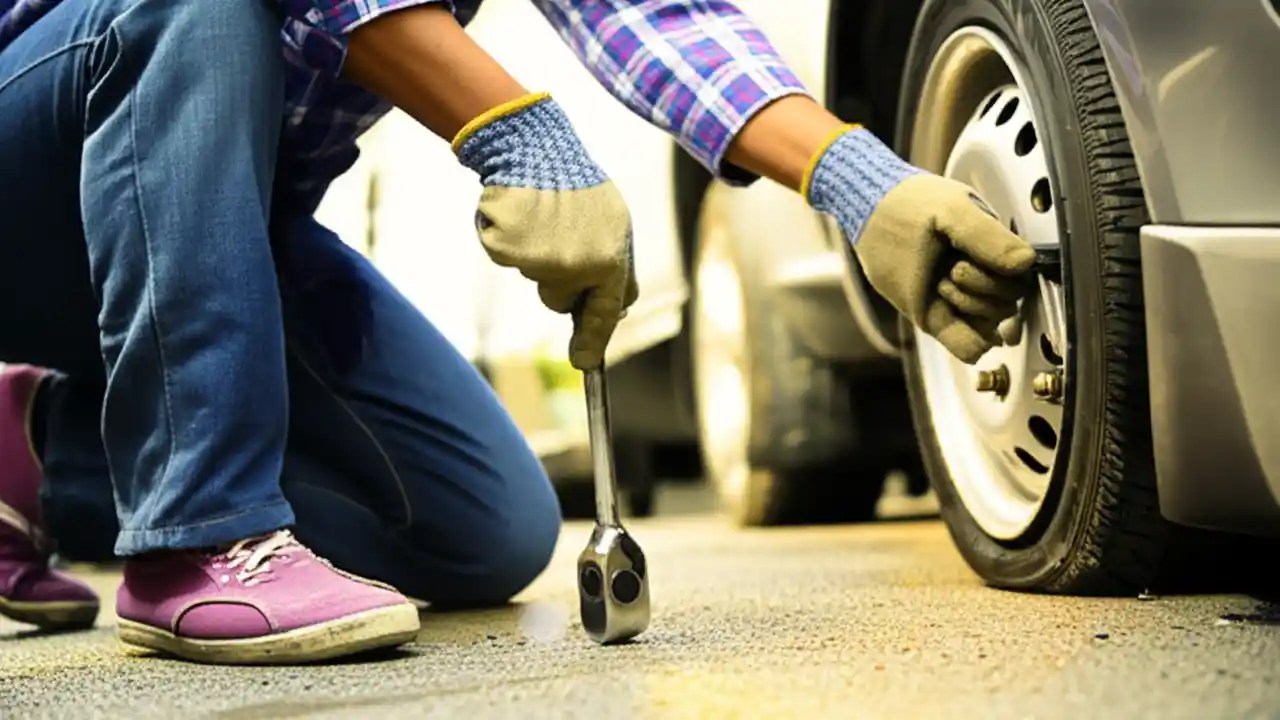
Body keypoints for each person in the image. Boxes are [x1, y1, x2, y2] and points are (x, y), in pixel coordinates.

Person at [0, 0, 1035, 664]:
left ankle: (46, 449)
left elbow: (651, 12)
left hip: (207, 230)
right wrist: (513, 126)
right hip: (34, 168)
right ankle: (195, 537)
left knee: (479, 525)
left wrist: (855, 180)